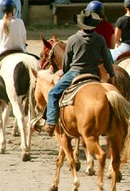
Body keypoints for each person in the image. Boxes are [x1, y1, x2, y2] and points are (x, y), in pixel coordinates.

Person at [38, 8, 116, 136]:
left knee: (53, 93)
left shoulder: (73, 39)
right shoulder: (100, 39)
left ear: (80, 25)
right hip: (94, 74)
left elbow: (66, 62)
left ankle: (51, 123)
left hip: (75, 72)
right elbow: (107, 60)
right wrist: (111, 75)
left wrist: (66, 73)